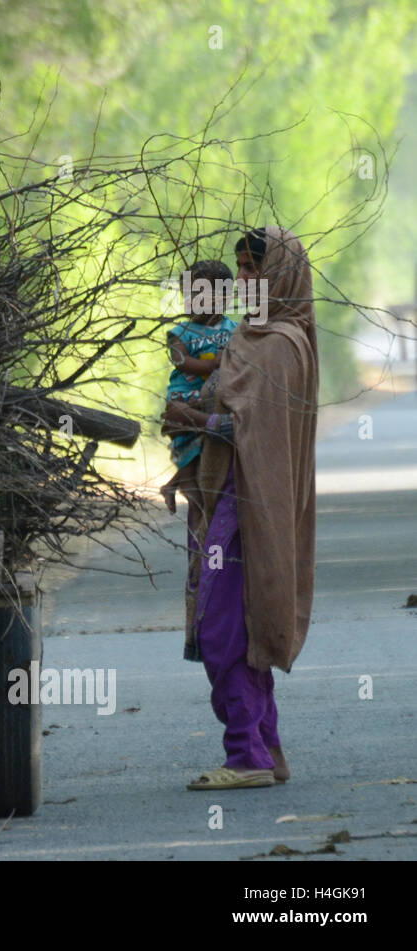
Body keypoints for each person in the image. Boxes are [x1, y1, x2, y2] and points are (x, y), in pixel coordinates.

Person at [163, 226, 316, 790]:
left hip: (252, 505)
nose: (246, 280)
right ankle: (266, 747)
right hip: (221, 492)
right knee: (234, 625)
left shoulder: (280, 343)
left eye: (254, 268)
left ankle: (245, 755)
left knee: (225, 626)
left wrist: (195, 420)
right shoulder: (249, 336)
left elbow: (256, 432)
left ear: (281, 274)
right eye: (241, 269)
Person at [159, 260, 238, 515]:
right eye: (187, 295)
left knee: (201, 440)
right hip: (186, 393)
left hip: (217, 397)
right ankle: (185, 488)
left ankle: (175, 484)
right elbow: (182, 363)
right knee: (187, 434)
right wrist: (212, 365)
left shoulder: (235, 330)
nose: (190, 302)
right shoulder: (181, 333)